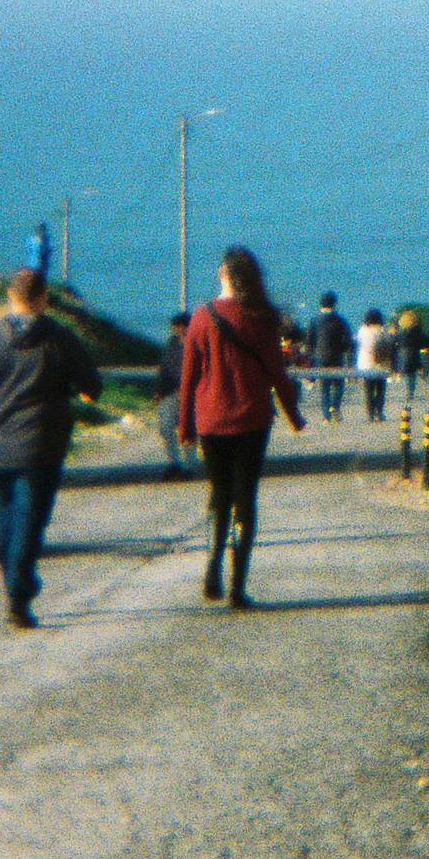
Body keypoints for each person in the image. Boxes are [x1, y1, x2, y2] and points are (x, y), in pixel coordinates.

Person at [0, 267, 99, 628]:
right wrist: (80, 391)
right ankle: (18, 592)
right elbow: (92, 384)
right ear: (43, 299)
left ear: (10, 298)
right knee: (30, 519)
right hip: (42, 445)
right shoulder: (59, 338)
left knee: (6, 516)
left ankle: (15, 582)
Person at [178, 246, 304, 610]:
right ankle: (237, 586)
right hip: (252, 419)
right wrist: (293, 416)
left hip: (211, 421)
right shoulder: (261, 318)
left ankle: (213, 565)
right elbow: (277, 374)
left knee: (219, 495)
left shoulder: (201, 317)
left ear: (222, 274)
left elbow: (188, 378)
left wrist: (185, 425)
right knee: (245, 499)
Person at [155, 311, 190, 474]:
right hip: (170, 392)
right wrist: (158, 390)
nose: (178, 330)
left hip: (192, 393)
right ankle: (173, 462)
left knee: (189, 428)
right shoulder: (171, 344)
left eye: (181, 326)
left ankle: (189, 464)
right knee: (166, 426)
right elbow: (164, 369)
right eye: (176, 327)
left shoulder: (199, 343)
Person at [309, 289, 351, 420]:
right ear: (334, 304)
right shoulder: (340, 320)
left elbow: (309, 340)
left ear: (320, 304)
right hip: (336, 356)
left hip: (320, 356)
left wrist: (313, 354)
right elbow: (347, 340)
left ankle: (326, 416)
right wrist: (343, 350)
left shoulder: (314, 321)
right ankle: (335, 407)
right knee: (338, 384)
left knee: (324, 387)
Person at [355, 307, 388, 423]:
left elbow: (358, 344)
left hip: (365, 363)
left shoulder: (362, 331)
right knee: (380, 390)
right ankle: (379, 412)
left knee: (368, 390)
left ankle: (370, 413)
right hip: (380, 364)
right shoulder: (382, 331)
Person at [389, 307, 423, 413]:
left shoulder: (400, 333)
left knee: (404, 375)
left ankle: (405, 394)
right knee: (412, 377)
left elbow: (393, 344)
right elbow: (425, 342)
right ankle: (410, 393)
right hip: (414, 356)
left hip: (402, 356)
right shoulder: (417, 333)